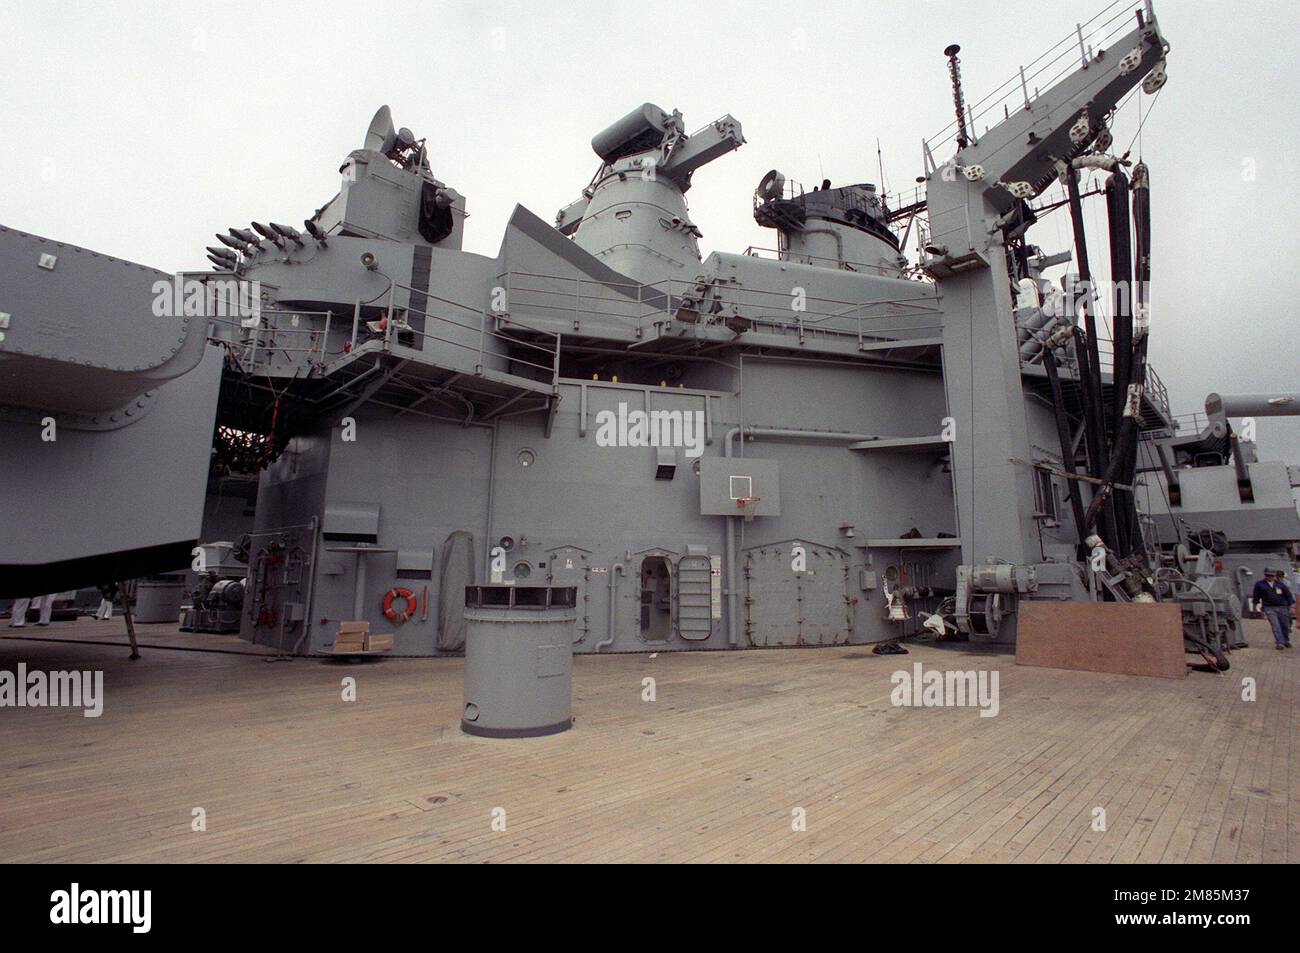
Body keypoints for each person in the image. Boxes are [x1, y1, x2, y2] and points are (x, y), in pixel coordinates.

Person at [1251, 568, 1294, 650]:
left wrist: (1291, 607)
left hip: (1282, 607)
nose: (1270, 577)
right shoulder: (1260, 584)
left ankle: (1286, 640)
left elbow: (1288, 595)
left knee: (1285, 625)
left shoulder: (1280, 584)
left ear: (1274, 576)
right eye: (1268, 575)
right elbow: (1256, 597)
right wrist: (1254, 609)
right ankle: (1280, 642)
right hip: (1269, 607)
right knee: (1275, 625)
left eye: (1271, 575)